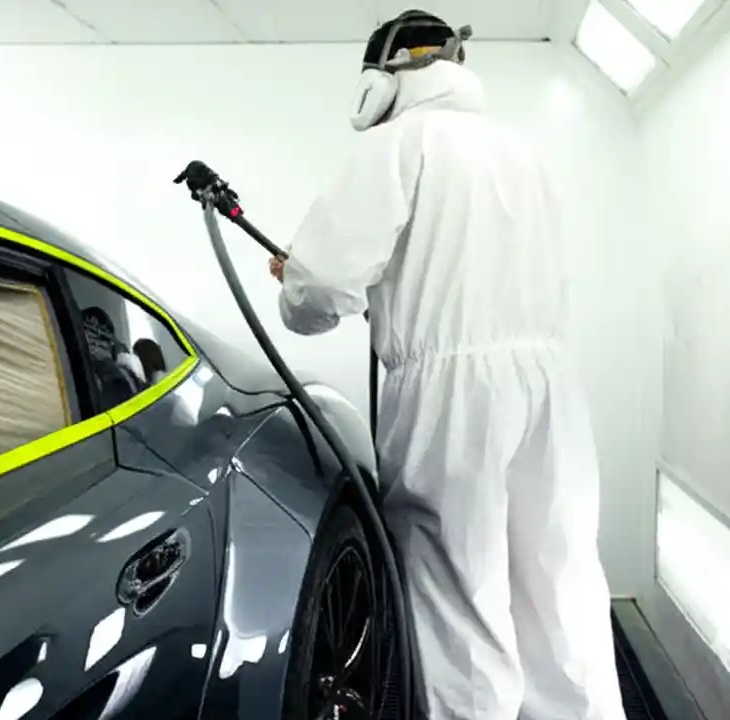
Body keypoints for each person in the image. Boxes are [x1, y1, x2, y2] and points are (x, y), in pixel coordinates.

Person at [269, 10, 627, 720]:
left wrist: (296, 282)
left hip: (452, 400)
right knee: (559, 587)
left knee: (459, 597)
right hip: (549, 390)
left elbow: (321, 290)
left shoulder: (400, 143)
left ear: (383, 80)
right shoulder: (521, 152)